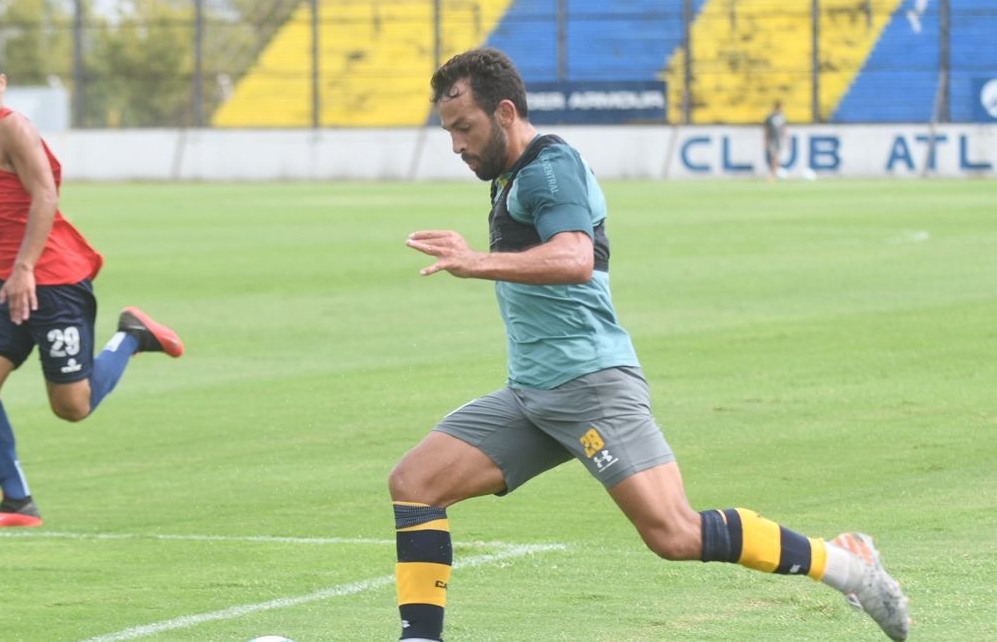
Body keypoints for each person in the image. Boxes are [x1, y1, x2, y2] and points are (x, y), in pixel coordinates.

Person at [388, 48, 909, 641]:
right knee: (416, 483)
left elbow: (575, 258)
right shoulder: (512, 175)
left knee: (675, 533)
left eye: (464, 128)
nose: (457, 145)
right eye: (449, 132)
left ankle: (846, 563)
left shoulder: (548, 168)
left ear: (504, 112)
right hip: (531, 393)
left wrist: (475, 261)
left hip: (589, 387)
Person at [0, 44, 185, 529]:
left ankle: (133, 335)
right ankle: (17, 503)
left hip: (52, 282)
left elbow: (45, 195)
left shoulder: (14, 128)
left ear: (1, 83)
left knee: (73, 407)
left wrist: (25, 266)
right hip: (9, 284)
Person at [764, 100, 788, 181]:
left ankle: (774, 173)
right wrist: (765, 141)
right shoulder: (770, 117)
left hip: (780, 140)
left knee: (777, 157)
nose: (783, 109)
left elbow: (784, 129)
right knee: (775, 157)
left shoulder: (782, 117)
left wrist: (787, 139)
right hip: (772, 139)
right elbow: (766, 130)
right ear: (777, 107)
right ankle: (772, 174)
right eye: (781, 107)